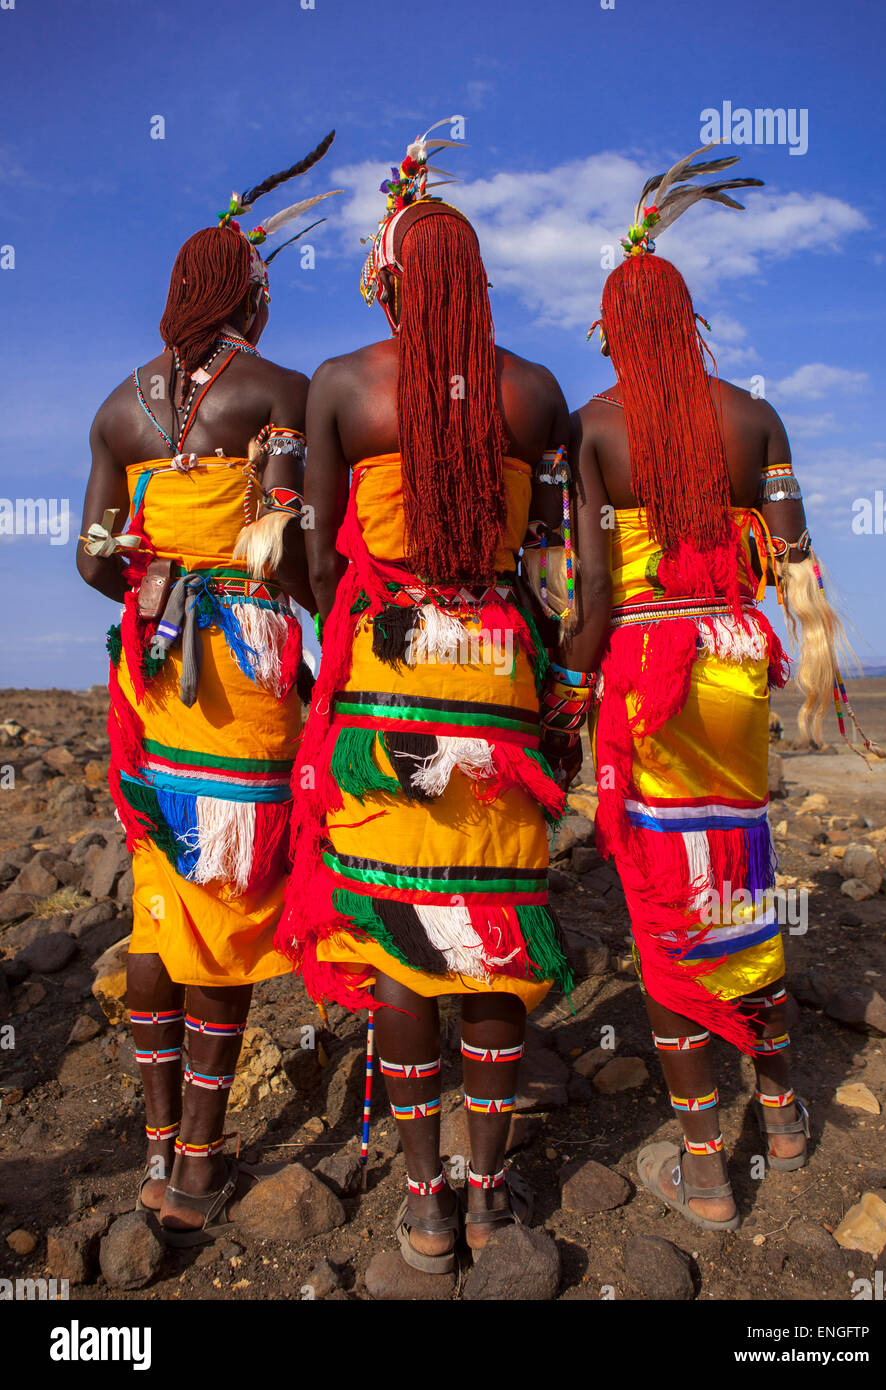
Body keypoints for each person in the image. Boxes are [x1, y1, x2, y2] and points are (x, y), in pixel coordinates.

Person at [560, 145, 880, 1232]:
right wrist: (819, 685)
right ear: (685, 317)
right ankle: (783, 1111)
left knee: (662, 912)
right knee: (739, 879)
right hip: (737, 676)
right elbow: (796, 565)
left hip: (647, 688)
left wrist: (568, 696)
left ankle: (705, 1161)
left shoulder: (596, 430)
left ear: (615, 323)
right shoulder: (755, 420)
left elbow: (592, 597)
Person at [276, 123, 573, 1273]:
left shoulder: (346, 385)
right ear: (477, 282)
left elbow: (311, 565)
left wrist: (362, 624)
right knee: (494, 930)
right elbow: (555, 570)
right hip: (501, 682)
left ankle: (423, 1197)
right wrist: (556, 690)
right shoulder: (538, 392)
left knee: (403, 938)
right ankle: (492, 1190)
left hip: (386, 690)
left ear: (391, 276)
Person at [76, 133, 339, 1245]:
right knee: (229, 903)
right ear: (248, 297)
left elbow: (93, 557)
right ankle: (198, 1156)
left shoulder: (116, 410)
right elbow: (299, 556)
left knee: (161, 892)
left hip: (150, 666)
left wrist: (154, 571)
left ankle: (151, 1138)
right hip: (245, 670)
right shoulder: (283, 391)